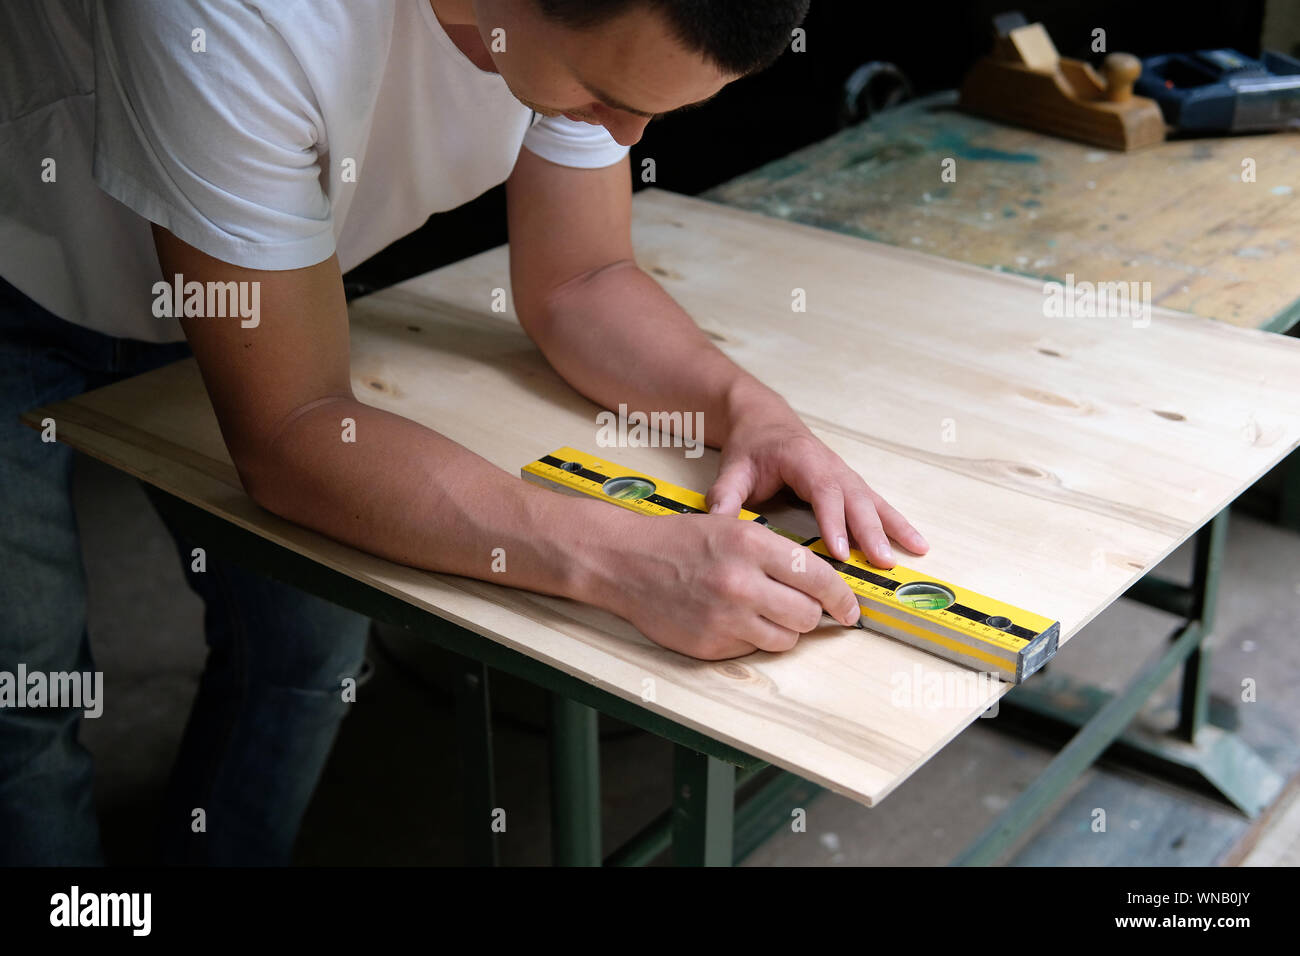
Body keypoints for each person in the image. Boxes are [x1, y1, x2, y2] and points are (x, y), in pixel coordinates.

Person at [0, 0, 928, 866]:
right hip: (24, 271)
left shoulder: (586, 31)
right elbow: (290, 429)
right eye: (608, 99)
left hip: (263, 287)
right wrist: (626, 561)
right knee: (23, 700)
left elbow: (581, 280)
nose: (628, 139)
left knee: (309, 653)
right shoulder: (235, 19)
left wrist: (746, 413)